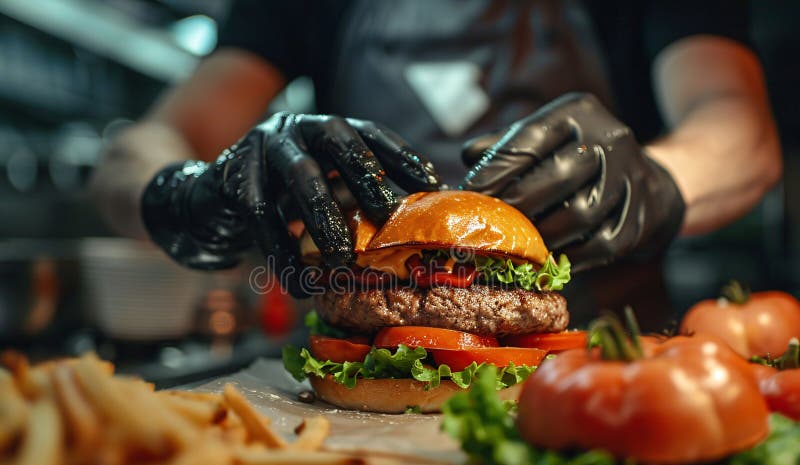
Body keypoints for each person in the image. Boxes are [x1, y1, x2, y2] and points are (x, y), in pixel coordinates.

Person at [91, 0, 781, 321]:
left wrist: (655, 181)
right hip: (361, 358)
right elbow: (136, 147)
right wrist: (186, 193)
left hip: (599, 371)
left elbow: (738, 126)